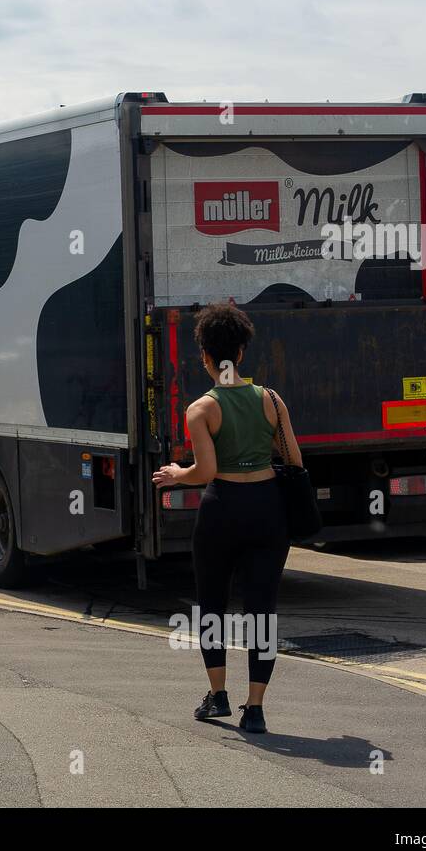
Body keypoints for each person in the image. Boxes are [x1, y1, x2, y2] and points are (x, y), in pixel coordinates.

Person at [151, 303, 302, 734]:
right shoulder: (272, 400)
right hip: (269, 508)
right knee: (262, 609)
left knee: (213, 604)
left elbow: (205, 471)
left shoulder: (200, 410)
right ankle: (254, 707)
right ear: (240, 352)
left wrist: (177, 474)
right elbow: (294, 457)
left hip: (223, 510)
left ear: (203, 356)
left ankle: (218, 695)